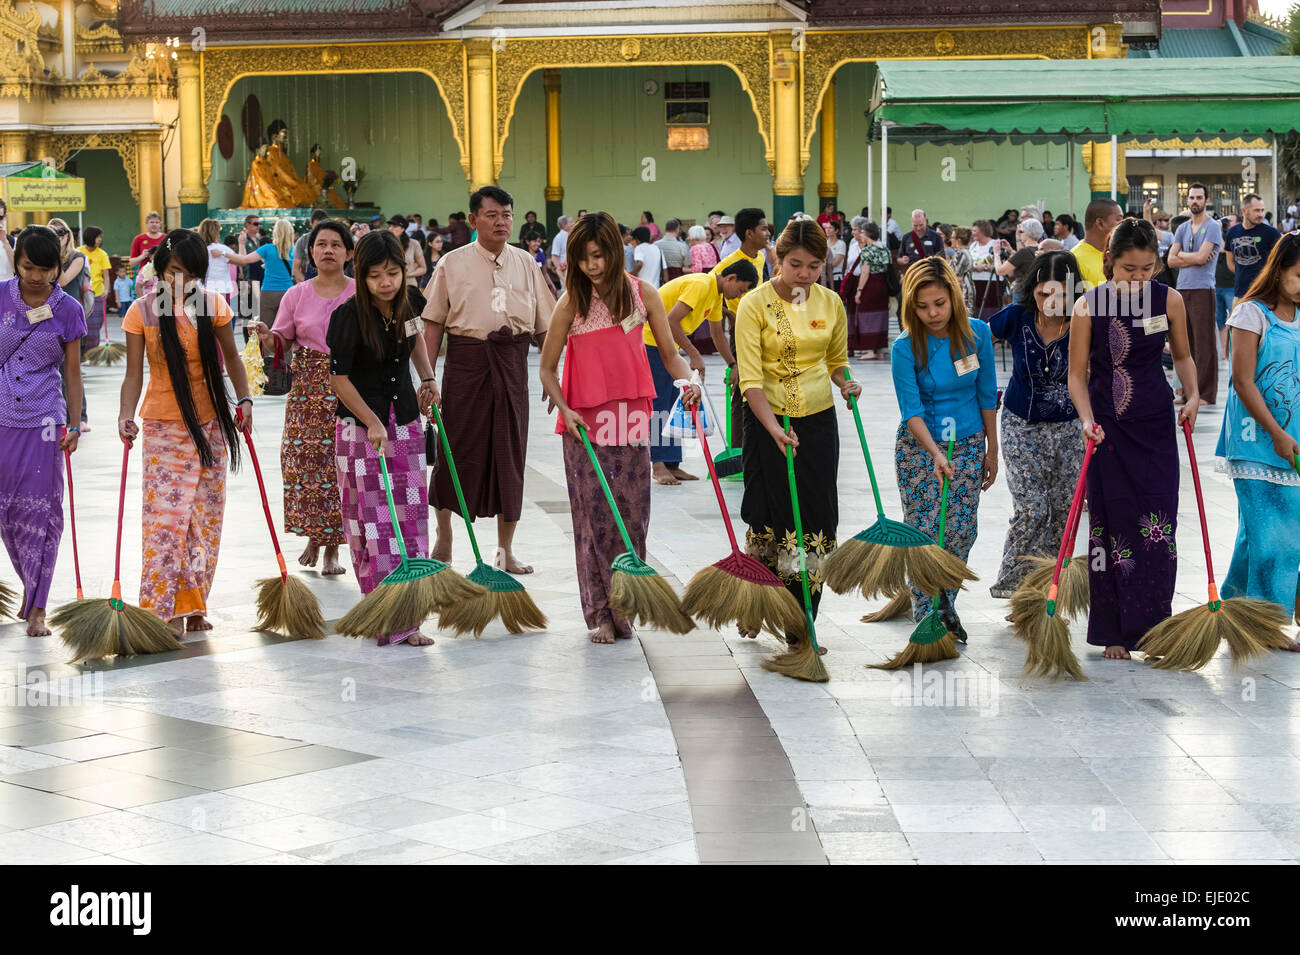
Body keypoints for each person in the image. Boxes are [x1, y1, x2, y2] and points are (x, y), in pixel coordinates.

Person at [539, 213, 699, 644]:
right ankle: (598, 613)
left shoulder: (642, 293)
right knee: (592, 519)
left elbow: (669, 353)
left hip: (631, 417)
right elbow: (547, 369)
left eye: (599, 255)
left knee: (633, 516)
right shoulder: (571, 301)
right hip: (583, 424)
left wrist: (688, 383)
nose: (592, 265)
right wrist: (565, 409)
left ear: (615, 251)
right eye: (583, 258)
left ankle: (625, 605)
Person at [1067, 218, 1199, 661]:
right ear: (1109, 263)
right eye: (1128, 269)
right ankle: (1114, 631)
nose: (1138, 278)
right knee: (1110, 527)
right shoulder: (1088, 306)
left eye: (1147, 269)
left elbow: (1182, 357)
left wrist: (1194, 395)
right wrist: (1086, 420)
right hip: (1108, 430)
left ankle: (1157, 628)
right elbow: (1077, 376)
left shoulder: (1172, 300)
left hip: (1157, 427)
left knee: (1159, 528)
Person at [118, 230, 253, 636]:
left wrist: (244, 401)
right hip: (162, 427)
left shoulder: (213, 306)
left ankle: (195, 605)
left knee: (204, 520)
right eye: (174, 271)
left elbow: (232, 358)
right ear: (159, 267)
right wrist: (126, 415)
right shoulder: (141, 311)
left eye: (190, 274)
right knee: (166, 522)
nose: (181, 282)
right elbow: (132, 375)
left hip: (211, 424)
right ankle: (162, 613)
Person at [736, 217, 858, 647]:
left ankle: (801, 623)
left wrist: (846, 383)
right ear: (778, 259)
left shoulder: (831, 304)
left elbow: (836, 360)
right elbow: (749, 379)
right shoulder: (753, 305)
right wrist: (773, 429)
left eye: (813, 266)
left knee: (817, 521)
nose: (804, 274)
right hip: (767, 421)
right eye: (795, 264)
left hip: (818, 423)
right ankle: (758, 603)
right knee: (770, 518)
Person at [421, 185, 552, 576]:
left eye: (507, 214)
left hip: (512, 367)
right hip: (466, 365)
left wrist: (552, 374)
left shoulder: (527, 263)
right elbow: (433, 326)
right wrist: (428, 380)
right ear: (474, 219)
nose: (502, 222)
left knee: (510, 457)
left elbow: (546, 326)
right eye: (493, 215)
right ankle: (443, 539)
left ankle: (504, 549)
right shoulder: (451, 263)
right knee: (453, 452)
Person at [327, 230, 438, 647]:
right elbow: (339, 380)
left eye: (392, 273)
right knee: (371, 523)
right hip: (360, 431)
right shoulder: (347, 317)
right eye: (375, 276)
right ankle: (382, 611)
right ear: (362, 276)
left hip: (405, 421)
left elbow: (415, 347)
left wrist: (428, 379)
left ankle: (409, 616)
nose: (386, 282)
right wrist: (372, 419)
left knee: (410, 519)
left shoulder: (410, 304)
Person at [891, 256, 998, 622]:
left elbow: (986, 393)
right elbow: (911, 410)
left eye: (939, 303)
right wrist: (935, 452)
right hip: (920, 448)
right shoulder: (905, 348)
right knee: (924, 532)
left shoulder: (978, 333)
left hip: (968, 443)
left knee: (960, 530)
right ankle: (927, 614)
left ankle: (945, 603)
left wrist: (991, 448)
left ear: (954, 297)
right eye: (921, 307)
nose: (933, 314)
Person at [248, 220, 355, 577]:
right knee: (305, 465)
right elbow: (282, 341)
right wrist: (267, 336)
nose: (328, 250)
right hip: (308, 390)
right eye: (321, 244)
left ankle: (332, 551)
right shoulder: (297, 294)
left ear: (348, 253)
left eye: (336, 244)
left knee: (343, 465)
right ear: (310, 251)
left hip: (351, 388)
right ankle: (314, 535)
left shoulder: (360, 293)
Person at [0, 226, 85, 636]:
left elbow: (72, 373)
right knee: (9, 515)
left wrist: (74, 421)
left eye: (45, 268)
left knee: (43, 513)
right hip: (0, 416)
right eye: (28, 266)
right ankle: (26, 584)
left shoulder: (69, 309)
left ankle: (37, 606)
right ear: (16, 261)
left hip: (45, 421)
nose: (36, 276)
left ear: (58, 267)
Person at [1214, 234, 1300, 639]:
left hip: (1292, 442)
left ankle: (1233, 610)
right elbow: (1243, 383)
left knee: (1257, 535)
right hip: (1254, 440)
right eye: (1299, 274)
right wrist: (1277, 434)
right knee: (1277, 539)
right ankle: (1270, 625)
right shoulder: (1250, 314)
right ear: (1279, 270)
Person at [986, 252, 1082, 599]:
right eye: (1043, 295)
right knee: (1032, 508)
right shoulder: (1017, 317)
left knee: (1062, 511)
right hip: (1020, 423)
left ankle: (1044, 588)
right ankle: (1013, 586)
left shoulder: (1084, 321)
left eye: (1059, 296)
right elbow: (976, 338)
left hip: (1071, 428)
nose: (1050, 304)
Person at [645, 262, 757, 485]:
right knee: (659, 404)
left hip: (667, 347)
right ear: (731, 278)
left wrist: (733, 364)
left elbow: (717, 335)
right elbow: (670, 321)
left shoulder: (716, 295)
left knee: (676, 401)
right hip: (650, 342)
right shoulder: (701, 284)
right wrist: (694, 355)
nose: (739, 295)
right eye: (741, 289)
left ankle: (672, 463)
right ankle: (657, 465)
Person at [714, 208, 769, 446]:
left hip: (762, 329)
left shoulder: (761, 257)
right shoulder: (729, 263)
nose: (768, 233)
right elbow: (711, 290)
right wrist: (730, 315)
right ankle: (738, 449)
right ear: (749, 233)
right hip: (741, 331)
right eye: (763, 229)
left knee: (762, 385)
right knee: (741, 388)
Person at [1167, 183, 1223, 406]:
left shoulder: (1212, 227)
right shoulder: (1182, 228)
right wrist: (1193, 258)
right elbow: (1171, 260)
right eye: (1191, 198)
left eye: (1199, 197)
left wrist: (1184, 257)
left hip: (1203, 289)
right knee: (1183, 343)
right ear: (1187, 200)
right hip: (1182, 289)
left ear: (1206, 200)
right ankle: (1187, 391)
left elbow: (1202, 259)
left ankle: (1206, 394)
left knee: (1203, 343)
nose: (1195, 201)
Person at [840, 220, 891, 359]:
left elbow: (865, 272)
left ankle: (869, 350)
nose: (860, 234)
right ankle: (879, 349)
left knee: (866, 316)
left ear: (867, 233)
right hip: (882, 285)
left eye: (862, 231)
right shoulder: (884, 248)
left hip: (870, 285)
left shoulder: (867, 251)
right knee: (880, 316)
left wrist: (859, 290)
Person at [1224, 192, 1281, 309]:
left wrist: (1264, 278)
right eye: (1256, 210)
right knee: (1236, 326)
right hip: (1240, 294)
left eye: (1262, 210)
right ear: (1244, 211)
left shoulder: (1271, 233)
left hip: (1264, 295)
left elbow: (1281, 260)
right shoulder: (1232, 232)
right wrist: (1244, 272)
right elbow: (1230, 262)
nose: (1261, 214)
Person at [248, 217, 296, 337]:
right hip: (288, 292)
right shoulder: (295, 251)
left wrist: (225, 254)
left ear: (276, 232)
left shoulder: (267, 248)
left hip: (268, 292)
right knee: (286, 330)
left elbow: (244, 259)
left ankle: (269, 355)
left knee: (266, 330)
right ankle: (286, 355)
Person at [1072, 198, 1123, 290]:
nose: (1123, 224)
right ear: (1100, 223)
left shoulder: (1119, 254)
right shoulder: (1075, 259)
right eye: (1118, 220)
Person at [77, 226, 112, 349]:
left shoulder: (102, 254)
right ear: (91, 237)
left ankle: (93, 351)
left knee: (96, 325)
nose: (100, 240)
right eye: (98, 237)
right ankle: (82, 351)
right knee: (82, 323)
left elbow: (106, 276)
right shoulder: (78, 252)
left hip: (97, 293)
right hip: (81, 293)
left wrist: (106, 290)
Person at [995, 218, 1043, 298]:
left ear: (1027, 233)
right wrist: (1011, 251)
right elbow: (1024, 259)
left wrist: (996, 253)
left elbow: (1000, 271)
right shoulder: (1041, 249)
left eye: (1020, 232)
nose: (1019, 234)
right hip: (1036, 293)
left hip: (1022, 292)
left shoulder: (1024, 252)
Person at [967, 219, 1003, 319]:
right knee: (976, 309)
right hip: (974, 282)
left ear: (983, 231)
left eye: (974, 231)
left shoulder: (995, 244)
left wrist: (985, 267)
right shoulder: (973, 245)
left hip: (990, 283)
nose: (972, 233)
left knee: (989, 310)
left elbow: (1002, 264)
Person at [1214, 215, 1238, 360]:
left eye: (1230, 221)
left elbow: (1223, 248)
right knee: (1220, 321)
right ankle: (1224, 353)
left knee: (1234, 321)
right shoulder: (1216, 235)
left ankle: (1233, 351)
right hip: (1217, 284)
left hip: (1231, 285)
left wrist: (1219, 230)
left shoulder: (1234, 237)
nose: (1227, 224)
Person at [197, 218, 236, 303]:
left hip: (201, 288)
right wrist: (242, 244)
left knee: (202, 315)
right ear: (216, 233)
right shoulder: (222, 249)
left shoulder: (196, 249)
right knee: (221, 315)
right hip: (222, 288)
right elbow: (241, 261)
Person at [896, 209, 943, 274]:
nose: (918, 228)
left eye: (921, 225)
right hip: (912, 274)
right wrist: (902, 260)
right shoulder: (906, 237)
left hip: (930, 273)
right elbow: (899, 259)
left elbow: (942, 258)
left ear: (926, 221)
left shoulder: (936, 237)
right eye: (915, 225)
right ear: (911, 222)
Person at [292, 210, 329, 284]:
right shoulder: (303, 241)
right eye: (317, 227)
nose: (320, 230)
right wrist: (308, 285)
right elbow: (296, 269)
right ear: (311, 223)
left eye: (323, 227)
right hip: (309, 281)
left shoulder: (333, 240)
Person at [823, 220, 847, 289]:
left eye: (830, 228)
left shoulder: (841, 244)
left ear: (836, 231)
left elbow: (836, 262)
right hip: (824, 277)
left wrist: (822, 264)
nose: (827, 230)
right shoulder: (824, 243)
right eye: (826, 228)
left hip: (836, 277)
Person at [0, 198, 14, 283]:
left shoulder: (12, 241)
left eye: (0, 217)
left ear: (5, 217)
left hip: (6, 292)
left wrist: (5, 242)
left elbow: (16, 269)